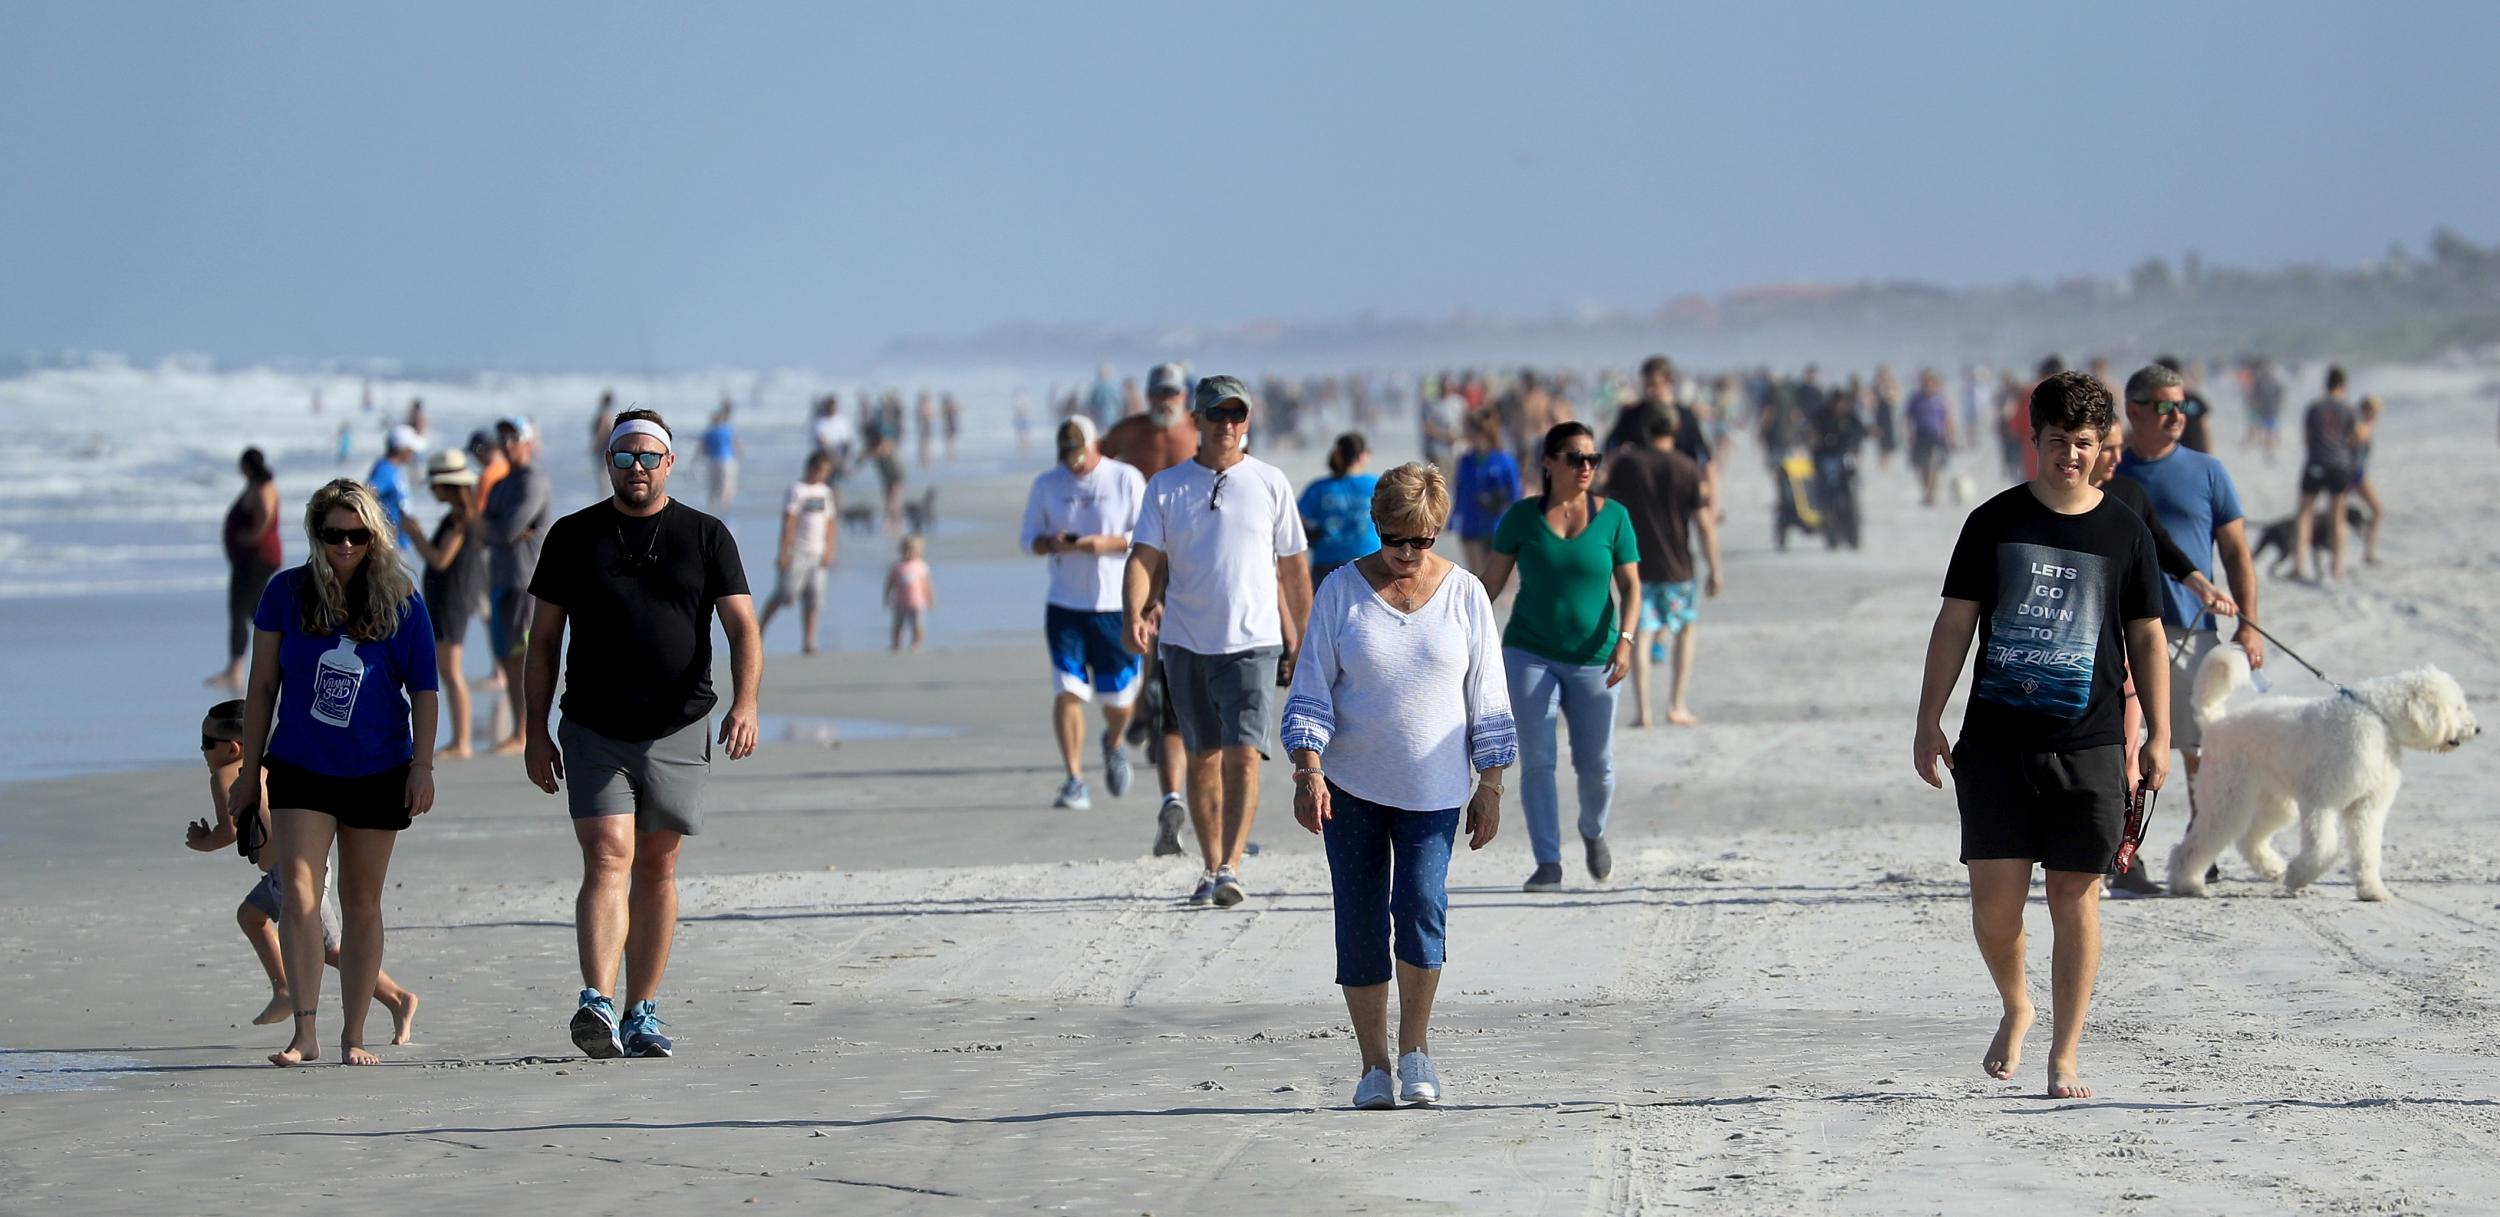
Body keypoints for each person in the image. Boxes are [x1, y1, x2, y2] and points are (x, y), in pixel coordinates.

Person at [1913, 370, 2170, 1100]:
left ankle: (2065, 1051)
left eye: (2084, 443)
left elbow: (2146, 635)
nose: (2070, 456)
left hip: (2088, 743)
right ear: (2036, 441)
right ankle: (2016, 1002)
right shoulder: (1993, 523)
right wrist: (1928, 717)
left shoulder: (2123, 529)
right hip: (1995, 742)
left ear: (2101, 446)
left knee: (2074, 899)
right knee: (1994, 907)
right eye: (2058, 441)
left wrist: (2155, 733)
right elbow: (1954, 623)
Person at [524, 408, 761, 1061]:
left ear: (670, 462)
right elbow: (543, 640)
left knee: (656, 865)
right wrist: (534, 731)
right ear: (608, 463)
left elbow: (743, 628)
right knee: (606, 855)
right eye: (624, 456)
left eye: (648, 456)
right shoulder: (573, 537)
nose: (636, 468)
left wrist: (746, 704)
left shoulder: (706, 535)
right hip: (592, 725)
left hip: (681, 725)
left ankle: (641, 1009)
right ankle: (597, 998)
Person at [1281, 462, 1513, 1110]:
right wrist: (1308, 770)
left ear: (1437, 530)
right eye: (1394, 538)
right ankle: (1373, 1063)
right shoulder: (1339, 592)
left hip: (1435, 790)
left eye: (1422, 539)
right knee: (1358, 921)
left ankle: (1415, 1050)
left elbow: (1488, 694)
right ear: (1375, 526)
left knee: (1419, 907)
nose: (1407, 553)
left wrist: (1490, 783)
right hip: (1350, 787)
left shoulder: (1465, 593)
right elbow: (1311, 690)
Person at [231, 479, 441, 1066]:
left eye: (357, 535)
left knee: (361, 900)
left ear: (374, 536)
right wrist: (249, 774)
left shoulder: (401, 598)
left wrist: (422, 766)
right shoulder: (286, 593)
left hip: (380, 768)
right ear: (315, 535)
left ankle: (354, 1035)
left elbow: (424, 689)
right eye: (332, 535)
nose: (344, 546)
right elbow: (262, 686)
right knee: (299, 893)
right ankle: (305, 1033)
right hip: (301, 764)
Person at [1123, 375, 1314, 907]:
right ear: (1197, 421)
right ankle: (1209, 866)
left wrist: (1307, 637)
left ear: (1246, 422)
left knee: (1245, 755)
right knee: (1203, 757)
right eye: (1217, 414)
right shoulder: (1166, 486)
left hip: (1255, 643)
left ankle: (1230, 865)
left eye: (1236, 415)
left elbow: (1294, 570)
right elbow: (1143, 559)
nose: (1227, 424)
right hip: (1185, 643)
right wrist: (1133, 613)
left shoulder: (1271, 482)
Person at [188, 698, 417, 1037]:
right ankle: (283, 988)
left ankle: (397, 997)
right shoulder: (268, 764)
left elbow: (230, 830)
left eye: (206, 743)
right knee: (250, 915)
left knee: (331, 948)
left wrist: (202, 841)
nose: (203, 751)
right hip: (290, 869)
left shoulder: (225, 776)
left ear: (233, 747)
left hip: (293, 873)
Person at [1479, 422, 1638, 892]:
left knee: (1597, 765)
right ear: (1549, 462)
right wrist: (1450, 625)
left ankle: (1592, 829)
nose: (1586, 467)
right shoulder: (1522, 518)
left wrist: (1626, 639)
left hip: (1597, 656)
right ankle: (1547, 860)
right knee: (1539, 760)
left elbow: (1631, 586)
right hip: (1530, 652)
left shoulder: (1614, 518)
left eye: (1593, 459)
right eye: (1575, 458)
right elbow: (1490, 583)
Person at [1019, 415, 1147, 812]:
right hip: (1065, 606)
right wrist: (1050, 542)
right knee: (1068, 691)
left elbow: (1148, 537)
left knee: (1119, 700)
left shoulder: (1125, 478)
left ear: (1095, 446)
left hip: (1115, 605)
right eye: (1066, 457)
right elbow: (1027, 540)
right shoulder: (1047, 484)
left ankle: (1112, 741)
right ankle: (1074, 779)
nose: (1073, 465)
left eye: (1079, 456)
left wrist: (1106, 543)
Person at [1101, 362, 1201, 841]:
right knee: (1144, 627)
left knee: (1168, 631)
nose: (1166, 400)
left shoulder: (1197, 431)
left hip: (1184, 546)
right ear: (1148, 394)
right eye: (1159, 392)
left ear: (1184, 396)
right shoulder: (1130, 431)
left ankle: (1146, 708)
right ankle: (1145, 706)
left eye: (1173, 393)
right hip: (1142, 543)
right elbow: (1095, 463)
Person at [1605, 410, 1721, 728]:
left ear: (1645, 429)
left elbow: (1605, 503)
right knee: (1684, 629)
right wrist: (1715, 568)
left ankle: (1643, 711)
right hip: (1678, 566)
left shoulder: (1629, 465)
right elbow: (1703, 524)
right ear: (1676, 428)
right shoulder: (1687, 467)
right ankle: (1676, 704)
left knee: (1640, 634)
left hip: (1637, 564)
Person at [399, 449, 489, 758]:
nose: (433, 490)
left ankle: (462, 741)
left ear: (449, 485)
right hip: (450, 598)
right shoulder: (464, 516)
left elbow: (440, 559)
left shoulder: (460, 519)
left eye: (436, 485)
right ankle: (459, 739)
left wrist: (415, 534)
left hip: (453, 599)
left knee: (451, 670)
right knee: (449, 670)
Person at [481, 417, 551, 755]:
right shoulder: (502, 483)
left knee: (523, 656)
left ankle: (524, 731)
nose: (508, 445)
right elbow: (483, 529)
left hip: (525, 578)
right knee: (506, 656)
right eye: (503, 438)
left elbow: (506, 529)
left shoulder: (533, 481)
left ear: (527, 442)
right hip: (499, 577)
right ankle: (516, 728)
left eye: (514, 438)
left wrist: (497, 531)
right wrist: (495, 531)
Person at [211, 447, 283, 691]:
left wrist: (253, 537)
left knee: (242, 610)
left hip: (256, 559)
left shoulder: (263, 488)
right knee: (252, 610)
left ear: (247, 465)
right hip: (249, 560)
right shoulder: (256, 485)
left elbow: (264, 514)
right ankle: (275, 659)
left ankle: (237, 668)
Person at [757, 452, 838, 653]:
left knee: (814, 599)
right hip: (798, 551)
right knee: (785, 594)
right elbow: (789, 522)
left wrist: (829, 550)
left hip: (817, 552)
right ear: (810, 468)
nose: (823, 475)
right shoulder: (797, 490)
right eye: (821, 470)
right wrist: (783, 552)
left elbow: (830, 523)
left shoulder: (825, 492)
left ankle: (809, 641)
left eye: (827, 472)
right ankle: (758, 632)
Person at [2292, 366, 2359, 581]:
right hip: (2339, 464)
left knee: (2304, 513)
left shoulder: (2314, 407)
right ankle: (2337, 567)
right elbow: (2354, 438)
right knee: (2337, 516)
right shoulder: (2348, 408)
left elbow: (2306, 436)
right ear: (2342, 385)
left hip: (2315, 463)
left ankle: (2298, 564)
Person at [1299, 432, 1381, 586]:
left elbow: (1295, 522)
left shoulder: (1319, 488)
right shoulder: (1377, 485)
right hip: (1368, 559)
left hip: (1327, 561)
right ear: (1363, 455)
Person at [1453, 410, 1521, 573]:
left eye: (1475, 434)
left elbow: (1514, 495)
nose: (1472, 439)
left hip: (1497, 525)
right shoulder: (1465, 461)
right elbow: (1459, 490)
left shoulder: (1505, 461)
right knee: (1476, 576)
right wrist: (1451, 520)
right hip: (1471, 524)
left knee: (1496, 579)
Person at [365, 425, 424, 546]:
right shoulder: (385, 470)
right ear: (401, 449)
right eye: (410, 449)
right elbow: (366, 496)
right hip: (389, 543)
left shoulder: (396, 468)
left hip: (398, 542)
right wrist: (380, 525)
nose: (412, 453)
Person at [1906, 369, 1955, 507]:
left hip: (1937, 436)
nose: (1928, 385)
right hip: (1921, 436)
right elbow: (1908, 418)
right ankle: (1926, 490)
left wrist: (1951, 435)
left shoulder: (1940, 399)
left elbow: (1947, 418)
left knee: (1934, 466)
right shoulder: (1915, 399)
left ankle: (1931, 493)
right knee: (1922, 466)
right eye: (1925, 382)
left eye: (1930, 382)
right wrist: (1909, 434)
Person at [2351, 395, 2386, 565]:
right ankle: (2368, 552)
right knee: (2377, 510)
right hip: (2353, 474)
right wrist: (2370, 424)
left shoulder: (2359, 422)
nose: (2377, 415)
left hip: (2357, 473)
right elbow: (2359, 437)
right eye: (2375, 411)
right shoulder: (2359, 424)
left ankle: (2369, 551)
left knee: (2376, 511)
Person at [2154, 355, 2212, 453]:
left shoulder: (2153, 405)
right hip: (2195, 458)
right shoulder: (2194, 401)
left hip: (2169, 459)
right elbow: (2205, 433)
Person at [885, 534, 933, 652]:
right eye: (905, 549)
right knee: (898, 625)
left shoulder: (922, 566)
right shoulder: (897, 567)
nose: (908, 553)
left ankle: (916, 644)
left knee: (917, 625)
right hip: (900, 602)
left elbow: (927, 585)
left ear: (918, 552)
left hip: (917, 602)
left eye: (911, 550)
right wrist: (887, 597)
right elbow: (889, 584)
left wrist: (930, 599)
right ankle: (896, 644)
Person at [699, 399, 741, 513]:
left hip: (712, 461)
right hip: (726, 460)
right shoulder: (727, 430)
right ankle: (723, 508)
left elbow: (702, 448)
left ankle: (712, 507)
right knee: (726, 486)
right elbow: (735, 444)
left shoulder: (709, 432)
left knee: (713, 485)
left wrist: (697, 459)